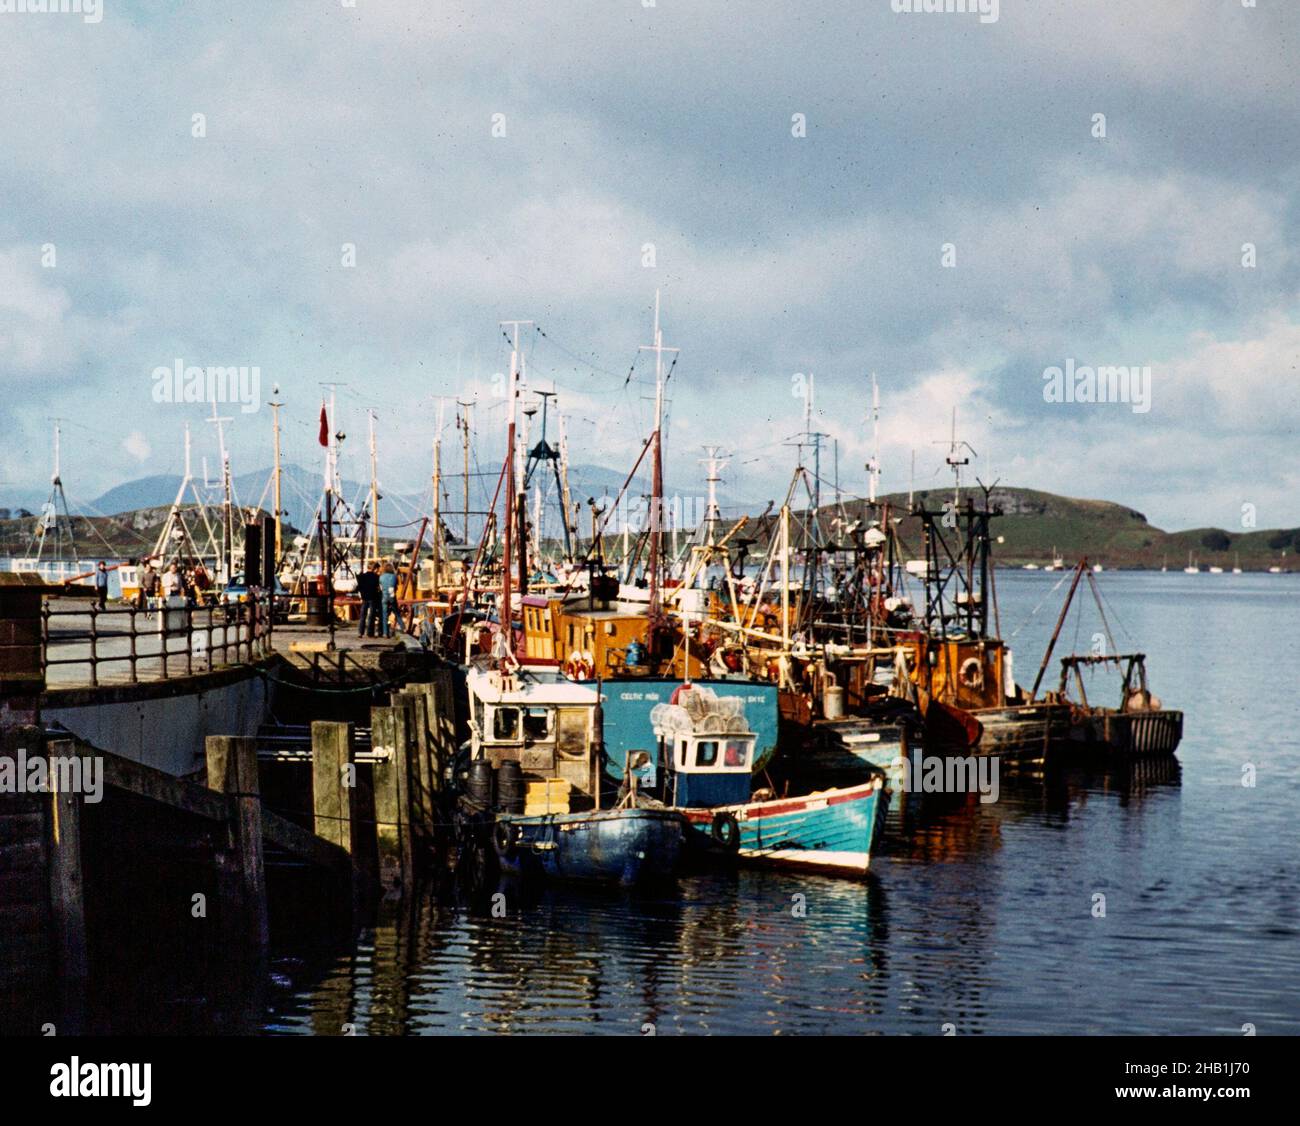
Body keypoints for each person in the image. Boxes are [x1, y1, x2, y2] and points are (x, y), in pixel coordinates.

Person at [357, 563, 381, 638]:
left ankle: (360, 632)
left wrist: (361, 596)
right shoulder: (376, 577)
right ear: (375, 568)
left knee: (362, 615)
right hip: (373, 598)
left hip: (364, 598)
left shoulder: (361, 576)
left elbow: (358, 588)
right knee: (371, 615)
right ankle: (370, 633)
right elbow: (378, 588)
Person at [378, 561, 398, 638]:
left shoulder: (381, 577)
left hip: (384, 597)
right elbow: (395, 587)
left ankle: (385, 633)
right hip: (392, 596)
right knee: (397, 614)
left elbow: (381, 588)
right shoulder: (394, 576)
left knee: (384, 615)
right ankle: (401, 628)